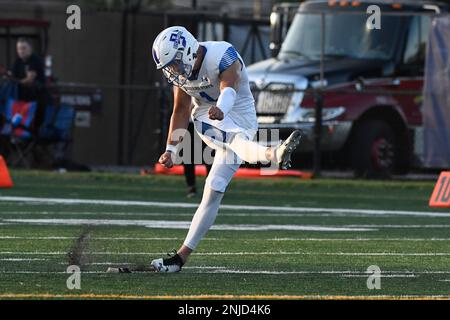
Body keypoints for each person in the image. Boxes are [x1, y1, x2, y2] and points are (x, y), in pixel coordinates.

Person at [150, 26, 302, 272]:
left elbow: (229, 87)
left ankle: (180, 258)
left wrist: (221, 107)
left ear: (187, 50)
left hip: (240, 117)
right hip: (205, 117)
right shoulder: (181, 75)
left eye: (174, 63)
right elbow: (180, 110)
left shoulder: (221, 54)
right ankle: (273, 154)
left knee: (214, 189)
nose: (173, 70)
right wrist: (171, 148)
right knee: (230, 138)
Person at [10, 38, 48, 132]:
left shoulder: (35, 60)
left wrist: (17, 81)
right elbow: (11, 76)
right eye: (19, 48)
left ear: (30, 48)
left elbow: (29, 80)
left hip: (36, 100)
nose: (21, 51)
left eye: (23, 48)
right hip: (21, 101)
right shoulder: (18, 61)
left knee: (32, 128)